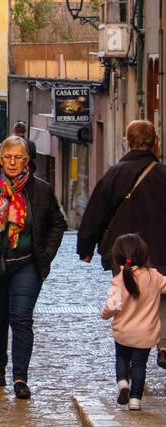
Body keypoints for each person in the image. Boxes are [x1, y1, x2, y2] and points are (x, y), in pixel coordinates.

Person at [0, 135, 67, 399]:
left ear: (27, 161)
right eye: (7, 157)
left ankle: (20, 377)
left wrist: (47, 253)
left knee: (21, 318)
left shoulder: (40, 190)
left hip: (27, 265)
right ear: (1, 159)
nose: (12, 162)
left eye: (18, 157)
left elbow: (57, 224)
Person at [77, 120, 166, 368]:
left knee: (127, 295)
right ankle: (164, 345)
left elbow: (96, 212)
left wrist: (85, 248)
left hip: (124, 251)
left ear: (128, 141)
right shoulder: (163, 174)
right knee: (162, 297)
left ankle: (129, 356)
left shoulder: (115, 173)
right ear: (154, 142)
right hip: (161, 251)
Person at [100, 234, 166, 411]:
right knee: (139, 366)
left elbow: (112, 307)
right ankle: (135, 400)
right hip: (146, 333)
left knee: (122, 358)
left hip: (123, 332)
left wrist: (104, 314)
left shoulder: (119, 280)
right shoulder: (154, 276)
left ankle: (122, 383)